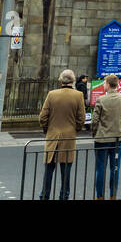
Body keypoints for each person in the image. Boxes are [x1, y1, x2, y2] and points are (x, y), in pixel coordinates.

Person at [38, 69, 85, 200]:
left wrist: (47, 130)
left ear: (60, 80)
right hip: (69, 138)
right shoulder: (78, 95)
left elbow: (42, 117)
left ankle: (44, 196)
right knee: (66, 172)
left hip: (52, 137)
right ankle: (64, 197)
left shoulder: (52, 94)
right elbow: (81, 118)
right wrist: (75, 129)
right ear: (73, 81)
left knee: (48, 171)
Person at [90, 74, 121, 199]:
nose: (103, 85)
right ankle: (113, 196)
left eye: (104, 83)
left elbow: (95, 120)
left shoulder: (101, 100)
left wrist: (95, 133)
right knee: (115, 168)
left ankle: (100, 196)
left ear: (108, 85)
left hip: (102, 139)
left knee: (100, 169)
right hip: (118, 139)